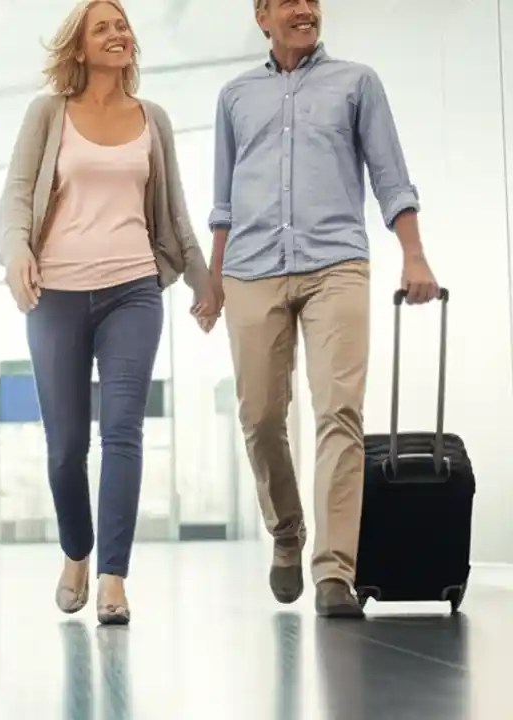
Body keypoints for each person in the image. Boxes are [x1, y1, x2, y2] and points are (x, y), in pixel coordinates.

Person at [206, 0, 441, 618]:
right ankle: (287, 530)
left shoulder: (357, 83)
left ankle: (336, 570)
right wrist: (213, 278)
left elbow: (391, 177)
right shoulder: (235, 96)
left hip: (336, 263)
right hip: (251, 268)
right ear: (263, 16)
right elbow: (223, 201)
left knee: (339, 411)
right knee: (260, 416)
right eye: (290, 1)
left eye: (311, 0)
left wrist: (414, 255)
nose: (305, 10)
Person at [0, 0, 215, 625]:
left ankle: (114, 576)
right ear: (80, 47)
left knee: (123, 432)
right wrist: (16, 252)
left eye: (122, 25)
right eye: (103, 27)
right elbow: (17, 194)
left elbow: (174, 210)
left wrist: (203, 281)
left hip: (133, 290)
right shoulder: (48, 113)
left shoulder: (152, 119)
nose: (117, 33)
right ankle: (77, 551)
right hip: (56, 294)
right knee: (66, 446)